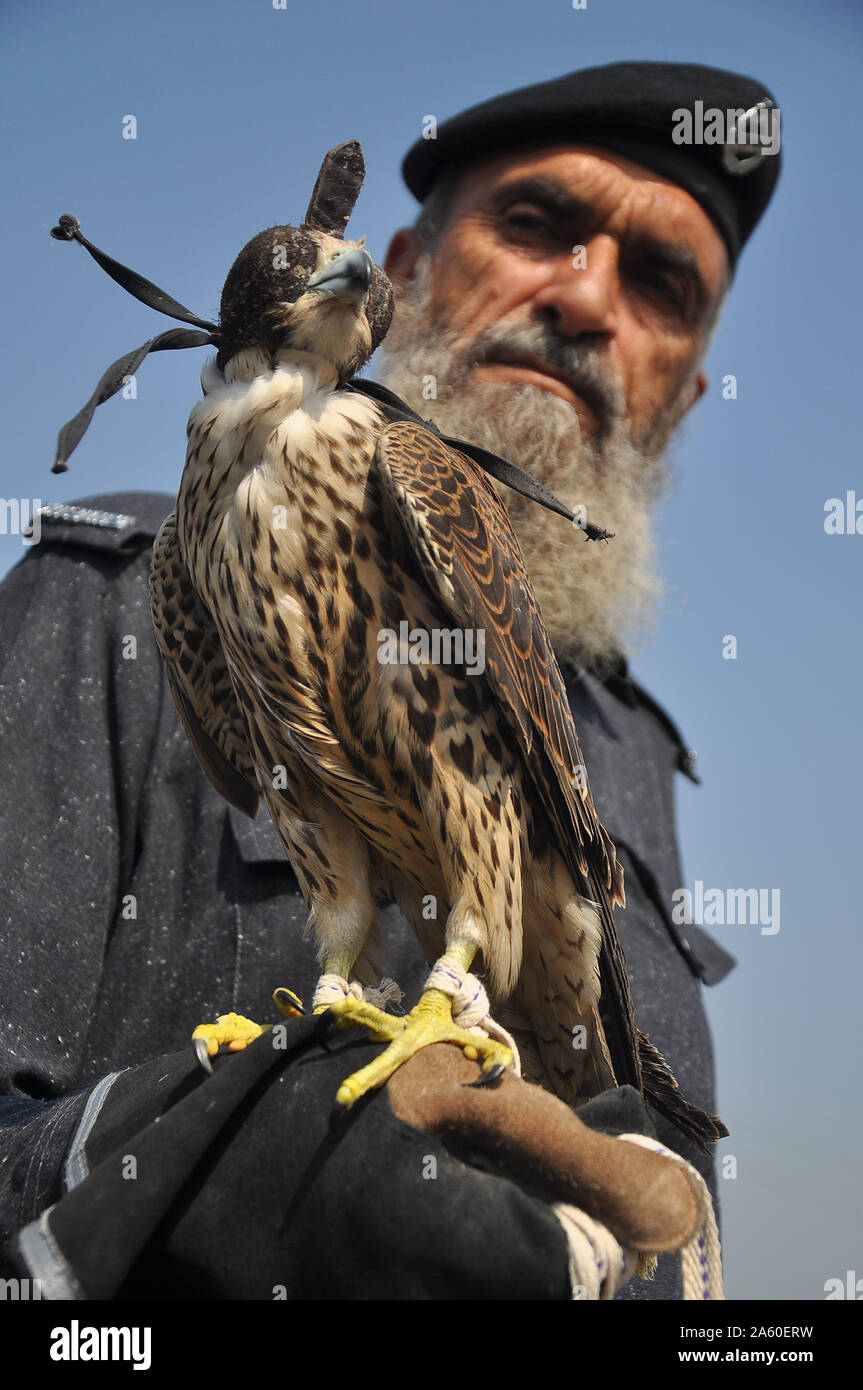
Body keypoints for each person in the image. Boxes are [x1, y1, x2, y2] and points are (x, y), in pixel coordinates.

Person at [0, 60, 779, 1300]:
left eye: (658, 282)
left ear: (682, 395)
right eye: (535, 224)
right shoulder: (120, 597)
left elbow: (657, 1210)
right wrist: (162, 1165)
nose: (585, 300)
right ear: (397, 272)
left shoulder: (638, 749)